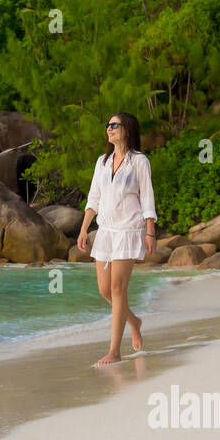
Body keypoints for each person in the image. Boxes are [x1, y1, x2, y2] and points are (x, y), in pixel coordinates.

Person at [77, 112, 157, 367]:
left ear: (127, 129)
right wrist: (83, 229)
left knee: (117, 289)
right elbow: (94, 199)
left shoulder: (139, 162)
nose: (108, 129)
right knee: (104, 290)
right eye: (107, 125)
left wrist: (150, 230)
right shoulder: (102, 161)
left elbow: (147, 199)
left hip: (128, 231)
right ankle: (134, 321)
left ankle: (114, 351)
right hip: (105, 233)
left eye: (114, 125)